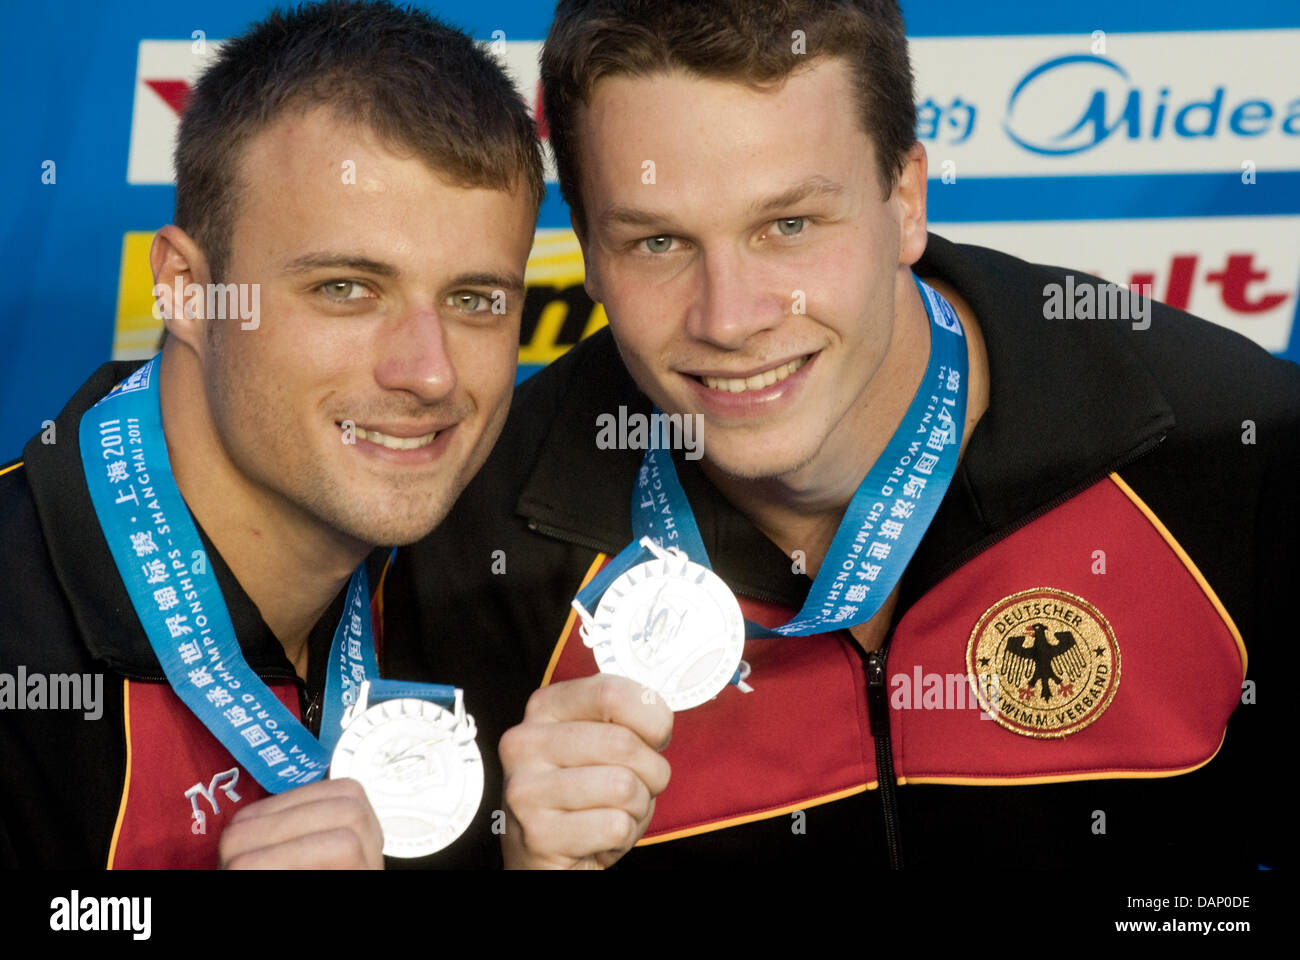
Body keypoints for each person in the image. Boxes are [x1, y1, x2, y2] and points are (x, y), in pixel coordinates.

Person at [390, 0, 1297, 869]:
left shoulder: (1232, 446)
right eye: (658, 243)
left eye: (789, 225)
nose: (731, 318)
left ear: (905, 199)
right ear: (587, 250)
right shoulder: (468, 551)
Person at [0, 0, 543, 869]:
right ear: (185, 288)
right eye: (345, 289)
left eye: (476, 300)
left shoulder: (496, 587)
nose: (430, 373)